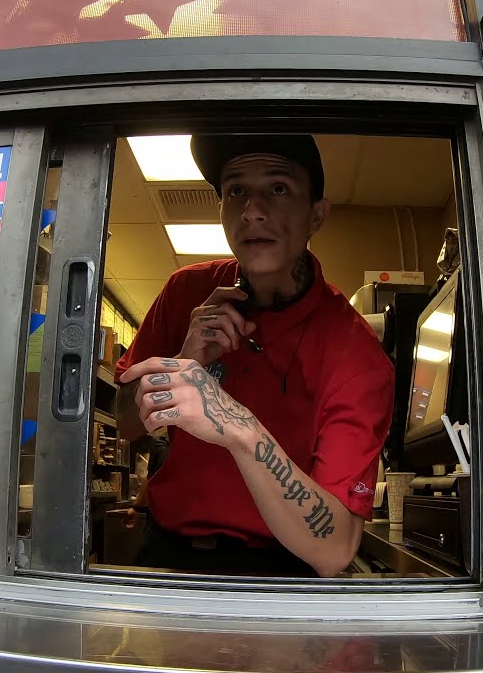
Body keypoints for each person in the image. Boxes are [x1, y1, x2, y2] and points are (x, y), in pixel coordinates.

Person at [115, 134, 395, 577]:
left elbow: (335, 549)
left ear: (316, 215)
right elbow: (127, 427)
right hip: (168, 554)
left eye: (278, 189)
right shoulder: (185, 291)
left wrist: (239, 428)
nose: (252, 212)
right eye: (236, 191)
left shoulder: (355, 353)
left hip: (281, 570)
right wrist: (184, 363)